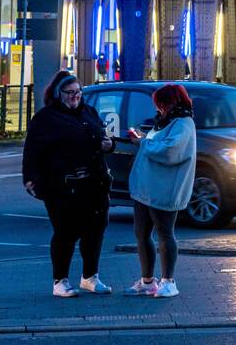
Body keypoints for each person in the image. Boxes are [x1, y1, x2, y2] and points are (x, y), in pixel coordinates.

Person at [22, 70, 114, 297]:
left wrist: (108, 145)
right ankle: (60, 280)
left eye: (78, 92)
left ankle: (90, 277)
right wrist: (31, 180)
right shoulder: (46, 118)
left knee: (95, 231)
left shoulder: (89, 112)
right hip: (63, 187)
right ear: (58, 93)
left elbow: (102, 138)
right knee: (65, 232)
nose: (75, 96)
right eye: (70, 92)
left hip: (93, 184)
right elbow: (32, 152)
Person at [125, 83, 197, 298]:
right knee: (142, 234)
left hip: (164, 189)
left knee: (165, 233)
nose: (158, 108)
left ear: (171, 103)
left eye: (160, 104)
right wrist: (144, 139)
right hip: (146, 188)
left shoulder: (184, 123)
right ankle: (147, 281)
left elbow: (171, 151)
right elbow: (160, 144)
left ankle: (168, 281)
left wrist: (142, 143)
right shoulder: (166, 121)